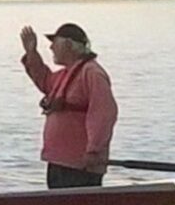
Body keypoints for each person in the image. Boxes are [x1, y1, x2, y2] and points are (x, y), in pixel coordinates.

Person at [19, 22, 118, 189]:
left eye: (54, 43)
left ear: (69, 44)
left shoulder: (92, 73)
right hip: (59, 162)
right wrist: (31, 53)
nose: (51, 48)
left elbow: (103, 114)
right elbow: (44, 80)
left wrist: (94, 150)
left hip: (80, 164)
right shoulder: (65, 75)